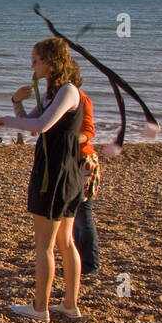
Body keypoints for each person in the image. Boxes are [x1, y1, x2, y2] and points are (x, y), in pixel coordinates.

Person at [0, 37, 84, 323]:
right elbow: (33, 127)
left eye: (35, 60)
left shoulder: (68, 91)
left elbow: (42, 125)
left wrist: (6, 119)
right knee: (63, 241)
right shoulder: (54, 93)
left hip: (55, 173)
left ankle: (40, 307)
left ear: (50, 61)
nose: (32, 65)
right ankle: (68, 305)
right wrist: (16, 102)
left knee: (47, 243)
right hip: (62, 170)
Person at [73, 89, 100, 277]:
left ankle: (90, 265)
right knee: (74, 214)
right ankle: (79, 262)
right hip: (71, 159)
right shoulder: (57, 96)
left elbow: (89, 131)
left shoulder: (80, 99)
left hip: (84, 160)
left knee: (83, 213)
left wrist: (67, 140)